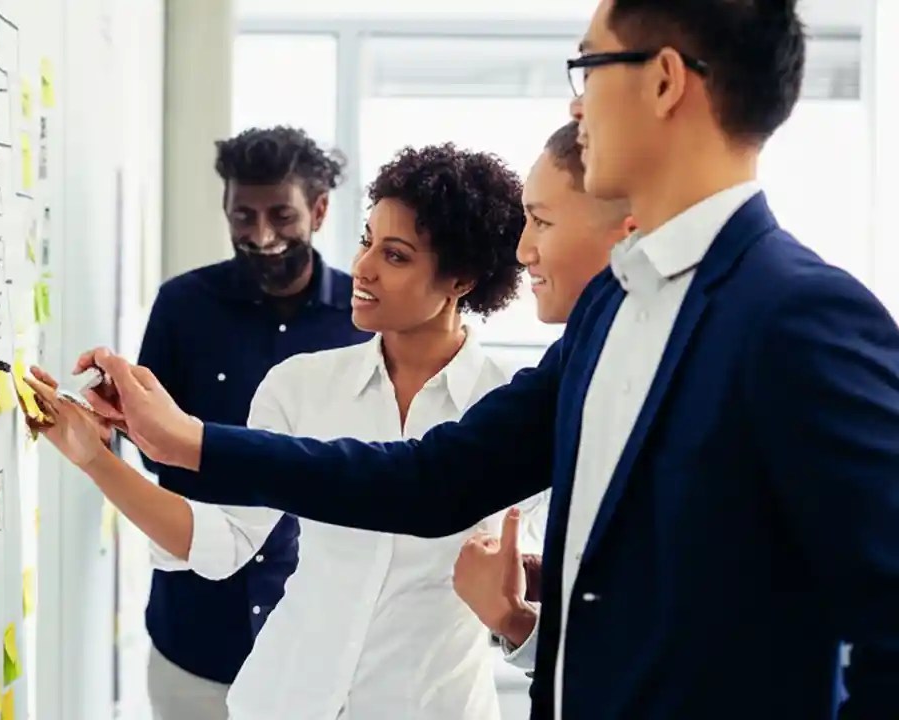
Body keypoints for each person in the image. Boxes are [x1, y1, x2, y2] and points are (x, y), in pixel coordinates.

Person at [60, 1, 899, 718]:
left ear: (666, 80)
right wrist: (188, 442)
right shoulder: (611, 309)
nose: (577, 108)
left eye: (588, 67)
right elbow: (430, 481)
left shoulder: (802, 317)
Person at [24, 144, 541, 719]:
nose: (363, 267)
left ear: (461, 280)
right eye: (367, 240)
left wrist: (512, 607)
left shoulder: (512, 413)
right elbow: (221, 543)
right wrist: (95, 459)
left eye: (395, 256)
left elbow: (556, 580)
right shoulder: (299, 386)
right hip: (286, 701)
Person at [128, 126, 371, 720]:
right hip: (196, 634)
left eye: (281, 215)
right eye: (244, 216)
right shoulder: (181, 306)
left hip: (321, 646)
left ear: (318, 210)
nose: (261, 235)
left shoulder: (364, 320)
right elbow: (152, 448)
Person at [451, 120, 632, 669]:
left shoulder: (769, 326)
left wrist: (513, 617)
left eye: (541, 221)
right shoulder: (585, 353)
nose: (523, 249)